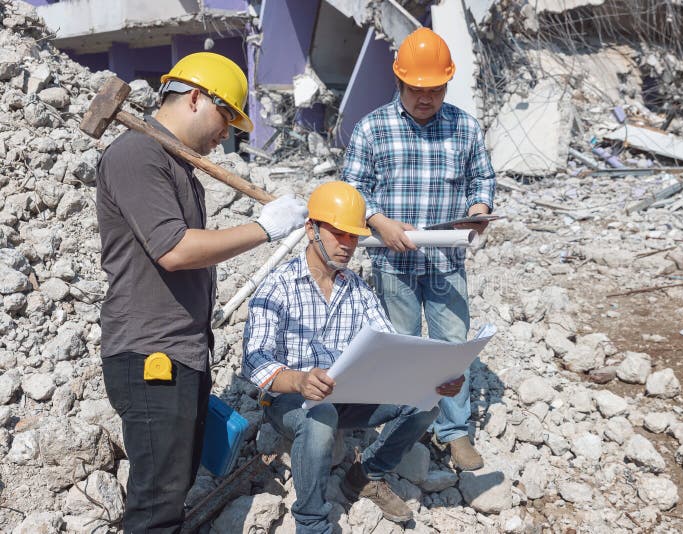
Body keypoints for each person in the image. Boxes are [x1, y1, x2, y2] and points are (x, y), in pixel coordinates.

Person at [96, 52, 308, 532]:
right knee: (157, 506)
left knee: (174, 492)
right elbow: (174, 250)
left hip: (181, 353)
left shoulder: (177, 167)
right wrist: (263, 229)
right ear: (195, 98)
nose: (226, 134)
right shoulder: (137, 154)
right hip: (151, 355)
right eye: (226, 117)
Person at [242, 181, 465, 533]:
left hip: (346, 396)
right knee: (320, 417)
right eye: (338, 233)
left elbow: (391, 349)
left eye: (354, 236)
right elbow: (254, 358)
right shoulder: (278, 285)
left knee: (425, 402)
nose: (347, 244)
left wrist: (433, 380)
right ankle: (312, 523)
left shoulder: (358, 290)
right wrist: (299, 380)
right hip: (289, 399)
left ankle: (366, 475)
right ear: (311, 229)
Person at [342, 28, 496, 471]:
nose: (426, 98)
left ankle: (454, 431)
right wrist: (379, 221)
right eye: (416, 90)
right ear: (399, 81)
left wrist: (479, 208)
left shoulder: (464, 127)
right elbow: (353, 187)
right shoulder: (372, 128)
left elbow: (481, 178)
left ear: (447, 83)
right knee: (403, 347)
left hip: (447, 260)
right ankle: (405, 426)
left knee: (451, 345)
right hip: (394, 262)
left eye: (435, 90)